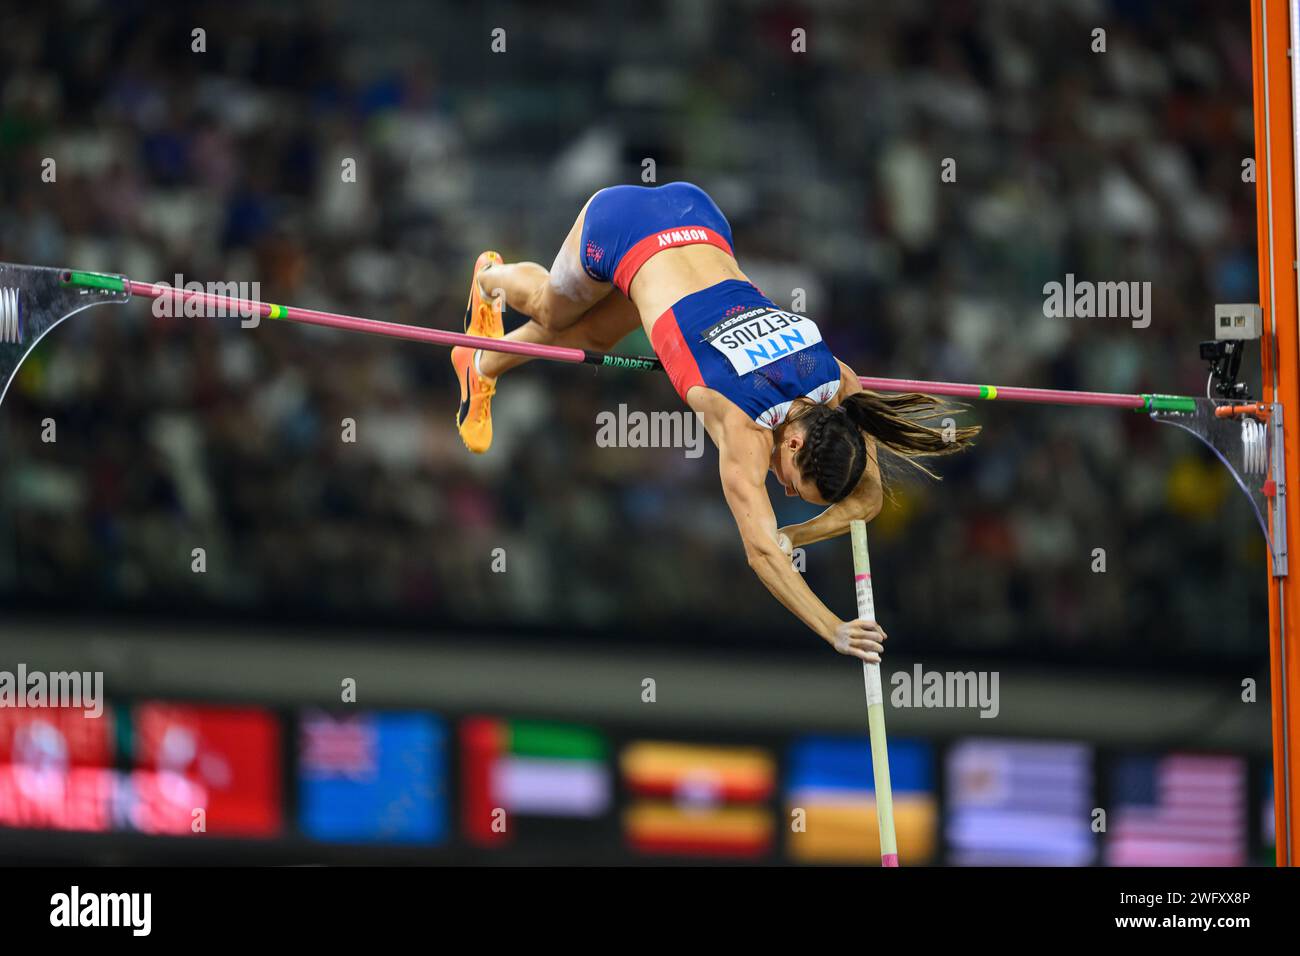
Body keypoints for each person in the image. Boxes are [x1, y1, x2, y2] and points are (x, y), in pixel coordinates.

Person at [451, 182, 978, 663]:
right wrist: (834, 628)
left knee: (596, 337)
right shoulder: (743, 429)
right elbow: (760, 555)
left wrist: (794, 535)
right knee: (551, 311)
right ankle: (490, 277)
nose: (786, 489)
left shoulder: (834, 379)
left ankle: (479, 363)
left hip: (698, 213)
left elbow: (865, 499)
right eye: (795, 483)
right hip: (622, 227)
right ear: (793, 441)